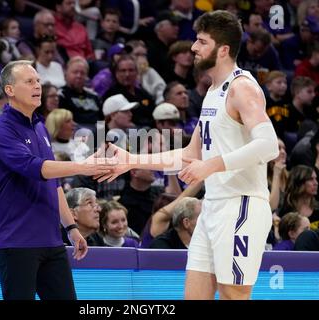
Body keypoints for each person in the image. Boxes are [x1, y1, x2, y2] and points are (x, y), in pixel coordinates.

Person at [98, 10, 279, 300]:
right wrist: (130, 161)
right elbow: (189, 154)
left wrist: (211, 166)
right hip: (212, 207)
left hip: (241, 206)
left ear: (223, 50)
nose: (193, 47)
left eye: (201, 42)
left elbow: (268, 144)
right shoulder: (212, 91)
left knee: (234, 294)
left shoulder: (241, 87)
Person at [0, 60, 115, 300]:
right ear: (10, 90)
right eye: (29, 81)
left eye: (38, 81)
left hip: (51, 241)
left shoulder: (39, 127)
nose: (38, 86)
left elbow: (53, 184)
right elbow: (34, 168)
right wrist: (83, 166)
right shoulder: (1, 129)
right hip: (16, 241)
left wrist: (71, 227)